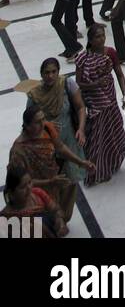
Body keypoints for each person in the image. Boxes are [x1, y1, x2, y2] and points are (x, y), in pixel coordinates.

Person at [9, 107, 93, 222]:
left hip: (53, 184)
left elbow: (60, 147)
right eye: (38, 122)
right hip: (35, 194)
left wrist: (81, 162)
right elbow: (20, 184)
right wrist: (50, 182)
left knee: (63, 212)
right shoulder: (18, 152)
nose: (42, 124)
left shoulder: (47, 128)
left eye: (43, 119)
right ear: (27, 126)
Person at [25, 57, 88, 205]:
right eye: (47, 72)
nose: (50, 76)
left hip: (68, 140)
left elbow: (80, 107)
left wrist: (81, 129)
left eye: (54, 72)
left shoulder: (66, 84)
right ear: (41, 74)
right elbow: (28, 121)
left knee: (71, 180)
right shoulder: (35, 95)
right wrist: (45, 124)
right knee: (51, 182)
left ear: (58, 72)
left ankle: (64, 214)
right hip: (47, 146)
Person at [75, 24, 125, 184]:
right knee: (97, 138)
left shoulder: (110, 53)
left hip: (109, 101)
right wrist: (96, 84)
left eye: (103, 35)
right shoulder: (83, 58)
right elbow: (79, 83)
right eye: (97, 36)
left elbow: (119, 74)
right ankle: (97, 170)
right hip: (94, 103)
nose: (101, 39)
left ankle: (112, 161)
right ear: (90, 40)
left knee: (115, 133)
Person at [1, 164, 67, 239]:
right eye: (23, 187)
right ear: (11, 193)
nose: (29, 188)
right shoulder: (5, 217)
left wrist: (60, 220)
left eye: (30, 182)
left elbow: (57, 210)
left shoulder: (38, 193)